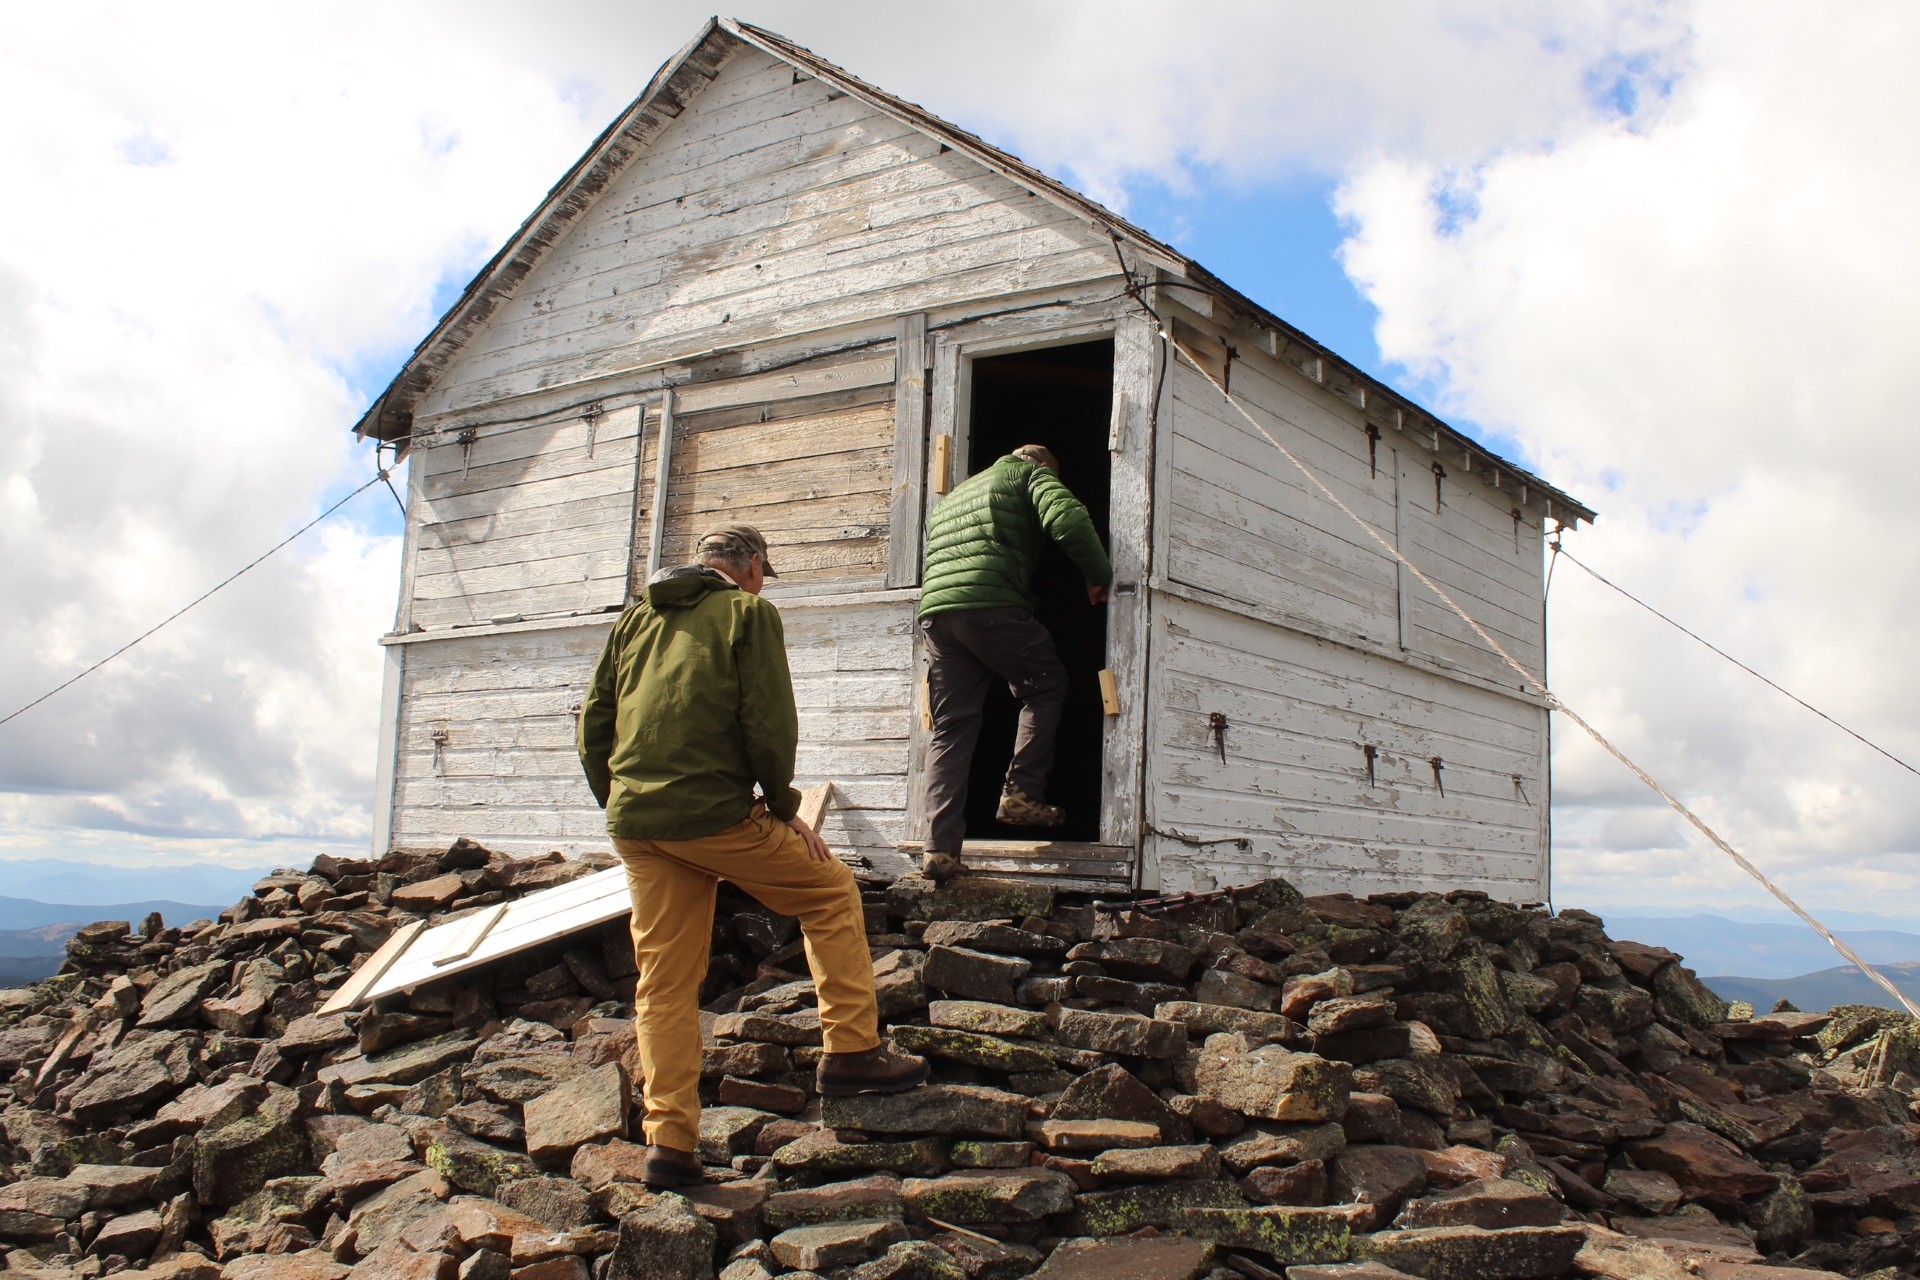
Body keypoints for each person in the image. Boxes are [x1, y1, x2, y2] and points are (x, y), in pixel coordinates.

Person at [578, 524, 928, 1190]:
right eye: (766, 571)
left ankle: (670, 1146)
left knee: (664, 983)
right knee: (830, 892)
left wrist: (622, 799)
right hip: (712, 813)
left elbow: (595, 720)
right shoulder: (747, 612)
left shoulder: (635, 621)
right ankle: (853, 1052)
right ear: (747, 567)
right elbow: (768, 719)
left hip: (638, 823)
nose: (765, 583)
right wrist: (781, 804)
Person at [917, 444, 1114, 881]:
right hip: (990, 606)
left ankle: (939, 850)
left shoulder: (956, 495)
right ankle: (1023, 791)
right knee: (1046, 686)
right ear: (1045, 466)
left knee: (950, 729)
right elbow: (1069, 519)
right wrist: (1097, 573)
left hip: (937, 616)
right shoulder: (1029, 477)